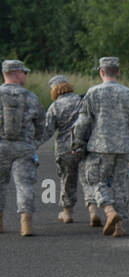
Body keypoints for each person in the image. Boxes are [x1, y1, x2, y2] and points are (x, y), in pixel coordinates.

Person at [72, 56, 129, 237]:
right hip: (123, 147)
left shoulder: (93, 93)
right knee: (120, 185)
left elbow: (82, 122)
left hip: (99, 147)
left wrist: (77, 143)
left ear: (101, 72)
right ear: (118, 72)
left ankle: (109, 211)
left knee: (95, 181)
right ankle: (119, 226)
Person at [0, 59, 44, 237]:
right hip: (24, 147)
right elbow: (41, 123)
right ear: (17, 73)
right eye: (24, 73)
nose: (26, 76)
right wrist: (34, 142)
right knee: (24, 184)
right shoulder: (30, 97)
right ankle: (26, 224)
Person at [42, 75, 86, 223]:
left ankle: (67, 212)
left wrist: (31, 144)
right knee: (89, 179)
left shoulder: (55, 106)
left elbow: (47, 131)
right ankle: (93, 212)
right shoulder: (82, 101)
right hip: (84, 146)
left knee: (68, 179)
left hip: (65, 149)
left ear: (54, 90)